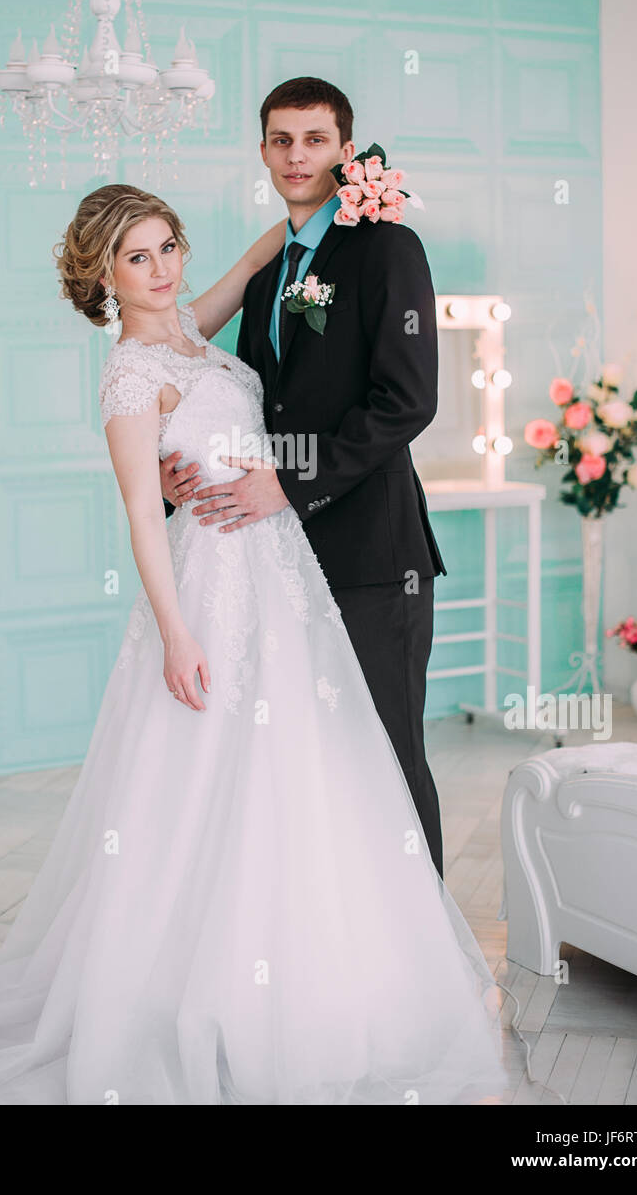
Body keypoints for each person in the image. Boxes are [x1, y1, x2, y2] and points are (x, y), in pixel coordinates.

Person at [0, 184, 505, 1106]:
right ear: (105, 275)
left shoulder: (192, 326)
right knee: (201, 777)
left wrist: (352, 195)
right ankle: (187, 983)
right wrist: (176, 634)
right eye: (138, 258)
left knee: (302, 767)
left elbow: (264, 254)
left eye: (168, 247)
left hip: (280, 573)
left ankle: (311, 966)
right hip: (208, 586)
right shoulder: (130, 372)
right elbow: (144, 522)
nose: (161, 269)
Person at [161, 76, 447, 876]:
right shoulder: (268, 273)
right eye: (281, 140)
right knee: (304, 761)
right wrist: (181, 472)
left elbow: (406, 402)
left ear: (345, 152)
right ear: (262, 151)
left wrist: (287, 484)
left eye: (314, 140)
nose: (296, 156)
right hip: (276, 559)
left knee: (387, 753)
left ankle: (425, 959)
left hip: (372, 558)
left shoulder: (387, 245)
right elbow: (245, 399)